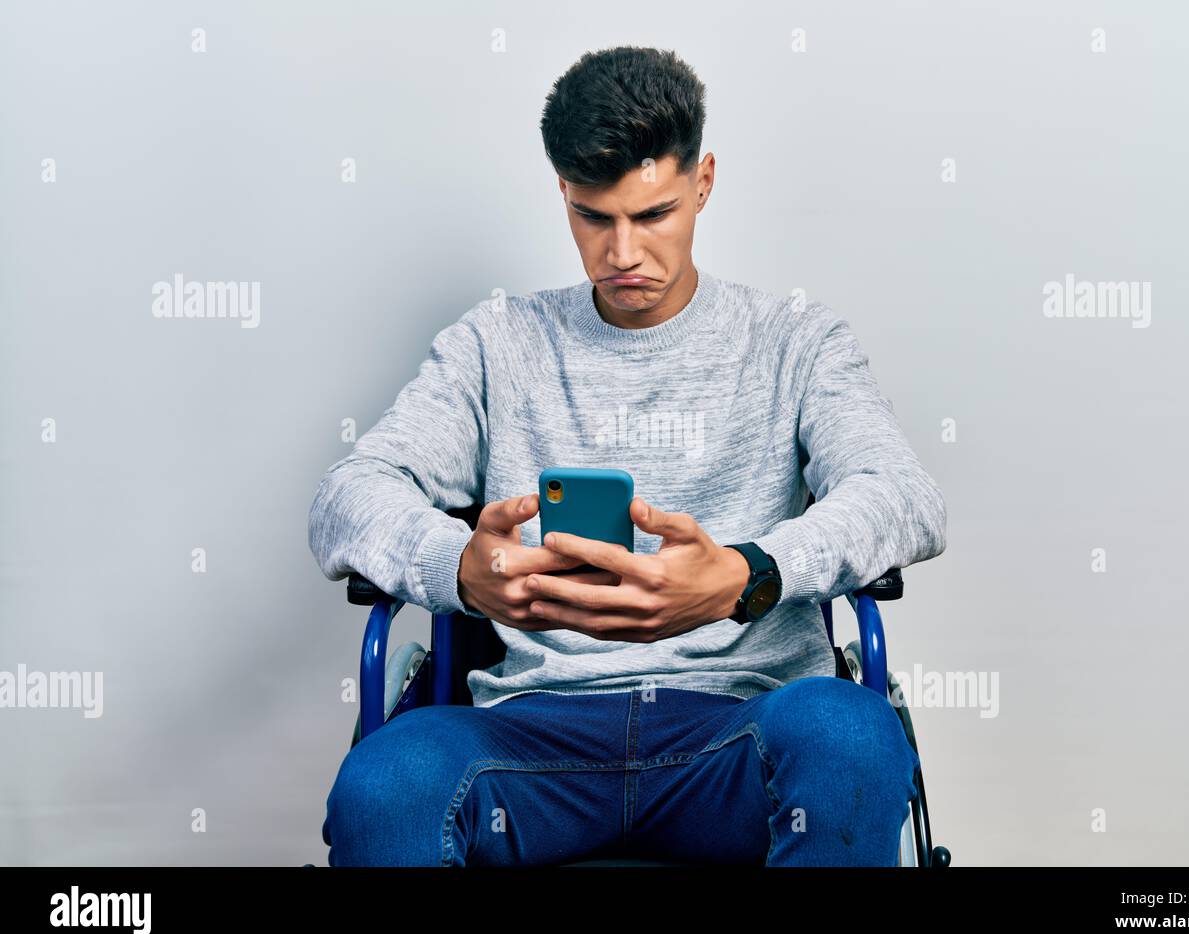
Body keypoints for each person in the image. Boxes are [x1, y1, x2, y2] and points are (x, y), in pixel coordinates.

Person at [308, 46, 947, 866]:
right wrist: (456, 564)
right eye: (592, 217)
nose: (622, 254)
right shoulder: (499, 342)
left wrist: (748, 576)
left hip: (739, 730)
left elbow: (903, 496)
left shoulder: (793, 340)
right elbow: (347, 497)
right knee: (387, 783)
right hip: (532, 737)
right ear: (564, 196)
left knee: (847, 736)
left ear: (704, 182)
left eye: (653, 215)